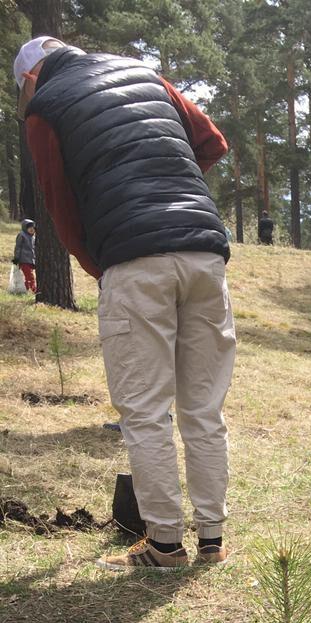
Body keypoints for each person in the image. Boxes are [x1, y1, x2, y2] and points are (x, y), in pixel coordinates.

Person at [16, 36, 235, 570]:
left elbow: (59, 202)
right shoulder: (144, 72)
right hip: (205, 252)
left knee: (145, 412)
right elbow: (212, 144)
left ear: (29, 79)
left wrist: (100, 263)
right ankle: (211, 538)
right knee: (204, 409)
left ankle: (164, 546)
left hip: (134, 262)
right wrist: (165, 189)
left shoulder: (44, 109)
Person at [12, 217, 36, 293]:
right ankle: (34, 290)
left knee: (28, 276)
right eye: (29, 227)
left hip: (31, 260)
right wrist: (16, 258)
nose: (31, 229)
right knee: (30, 276)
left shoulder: (33, 237)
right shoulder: (22, 235)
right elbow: (18, 247)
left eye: (33, 227)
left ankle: (25, 290)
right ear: (25, 228)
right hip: (24, 260)